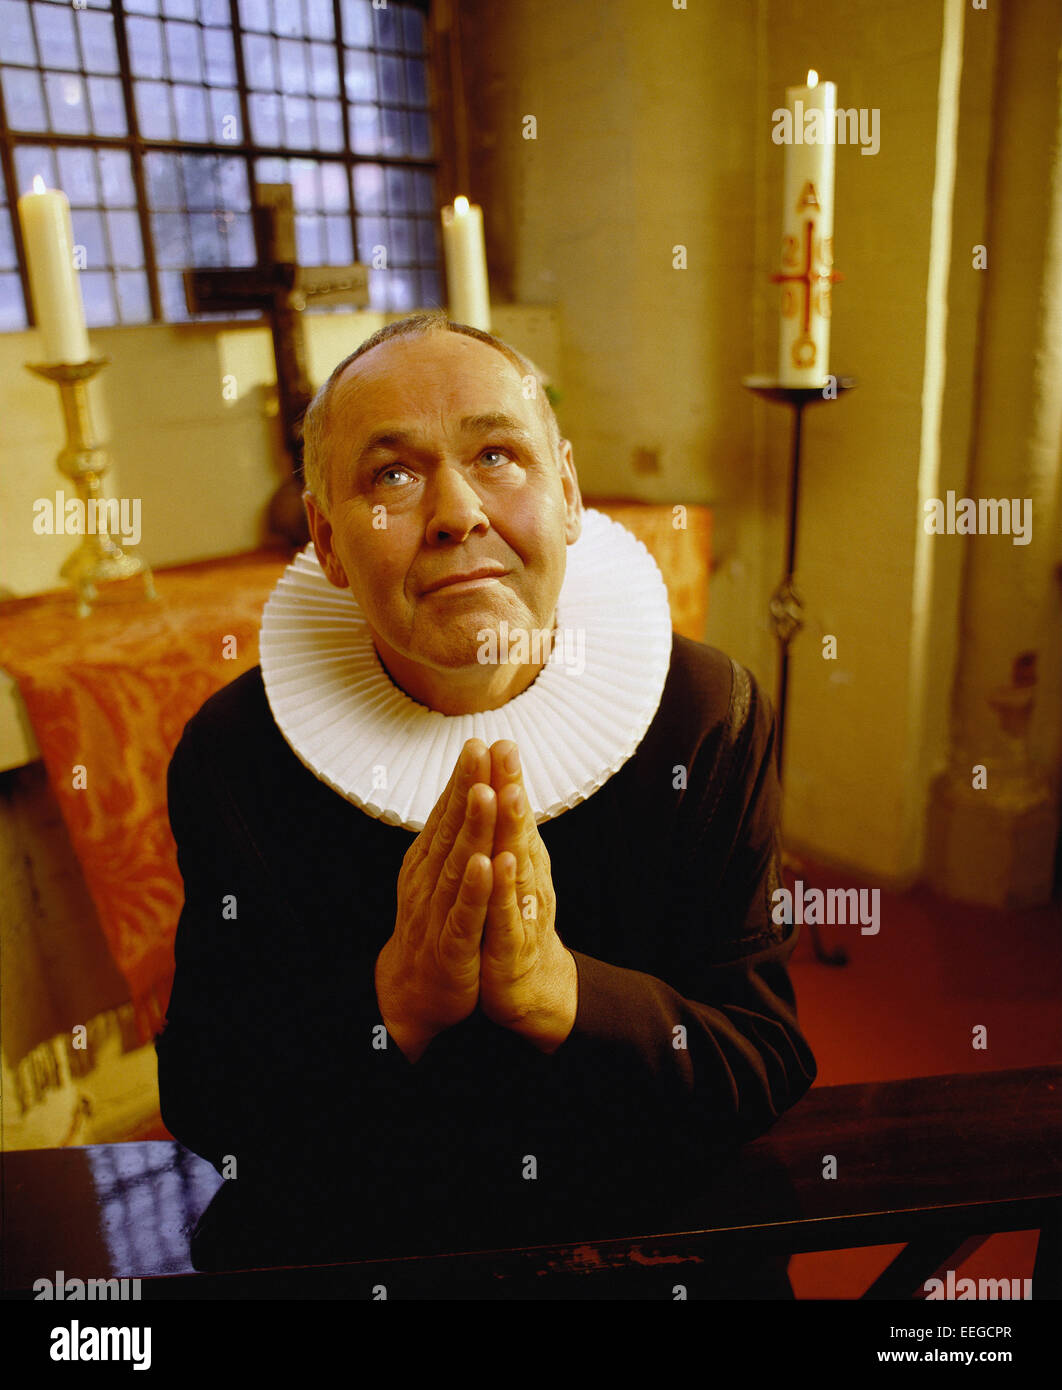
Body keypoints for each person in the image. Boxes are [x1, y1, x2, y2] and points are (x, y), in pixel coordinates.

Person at [155, 311, 816, 1296]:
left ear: (570, 493)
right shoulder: (235, 756)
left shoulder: (705, 714)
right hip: (366, 1233)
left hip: (640, 1237)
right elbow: (208, 1097)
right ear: (328, 542)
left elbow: (762, 1059)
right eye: (391, 474)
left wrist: (561, 993)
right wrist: (399, 1005)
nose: (457, 509)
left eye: (498, 453)